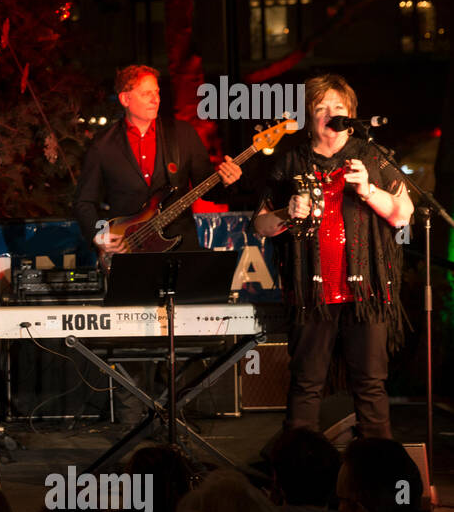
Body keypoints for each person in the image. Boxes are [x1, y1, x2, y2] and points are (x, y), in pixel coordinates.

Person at [252, 74, 412, 439]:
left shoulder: (372, 155)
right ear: (309, 116)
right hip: (313, 292)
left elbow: (403, 213)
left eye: (338, 108)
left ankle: (377, 479)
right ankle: (296, 477)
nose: (330, 114)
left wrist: (369, 190)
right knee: (306, 384)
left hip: (367, 290)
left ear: (351, 114)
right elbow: (260, 225)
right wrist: (285, 213)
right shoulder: (290, 159)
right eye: (320, 107)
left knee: (371, 385)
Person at [73, 65, 241, 255]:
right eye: (146, 94)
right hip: (128, 251)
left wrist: (226, 181)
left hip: (180, 248)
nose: (155, 99)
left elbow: (208, 190)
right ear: (125, 99)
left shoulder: (182, 134)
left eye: (157, 92)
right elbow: (84, 201)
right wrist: (98, 235)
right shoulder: (103, 145)